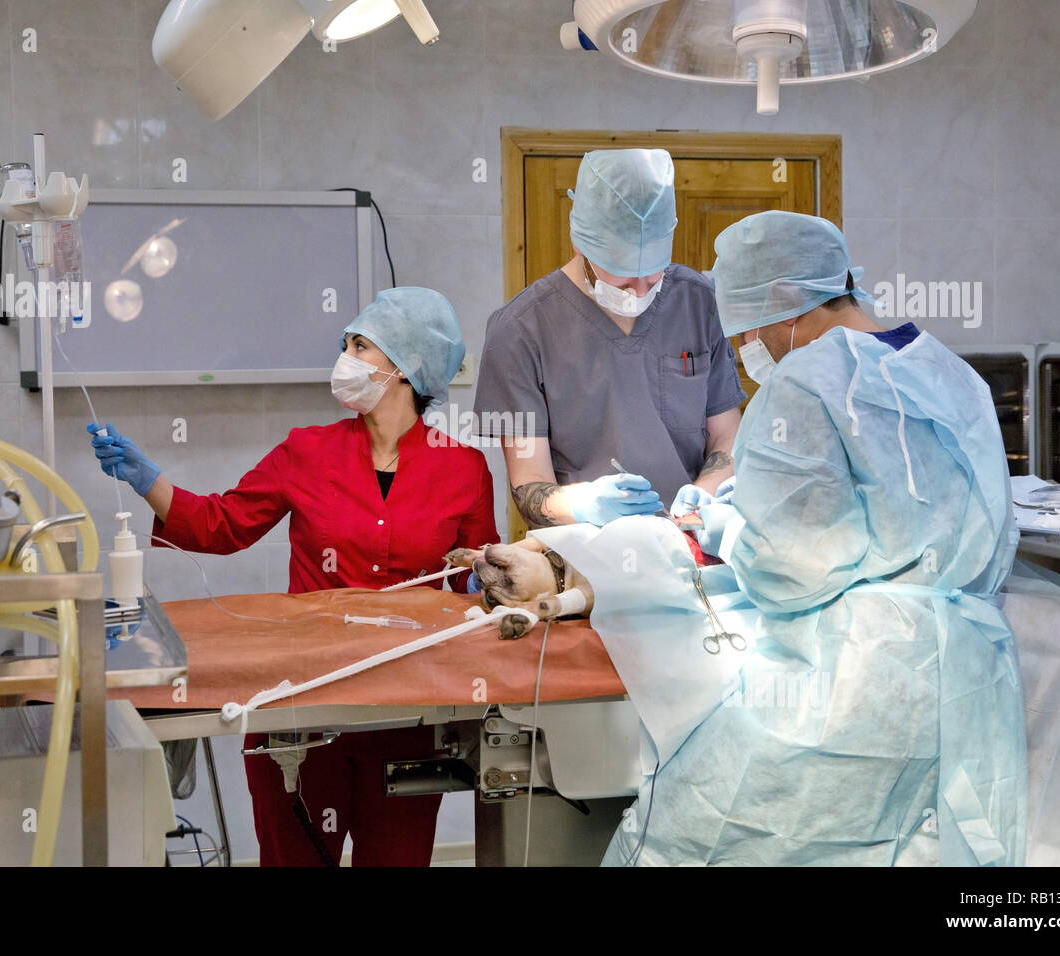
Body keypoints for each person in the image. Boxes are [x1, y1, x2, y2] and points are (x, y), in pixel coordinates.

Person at [602, 210, 1027, 865]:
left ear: (783, 308)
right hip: (968, 673)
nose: (749, 350)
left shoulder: (806, 379)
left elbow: (792, 570)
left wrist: (730, 525)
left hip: (852, 681)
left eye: (748, 331)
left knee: (689, 839)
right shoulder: (950, 370)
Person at [87, 287, 498, 867]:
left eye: (360, 345)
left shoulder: (463, 469)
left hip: (409, 712)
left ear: (405, 366)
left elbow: (476, 579)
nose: (345, 357)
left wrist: (483, 578)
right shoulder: (307, 452)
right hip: (301, 710)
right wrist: (146, 478)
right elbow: (219, 526)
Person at [472, 148, 744, 531]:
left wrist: (705, 494)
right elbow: (529, 483)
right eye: (622, 279)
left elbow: (728, 435)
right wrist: (584, 503)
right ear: (581, 242)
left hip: (689, 543)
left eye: (653, 277)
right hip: (583, 560)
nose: (639, 292)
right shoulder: (519, 330)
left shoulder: (697, 303)